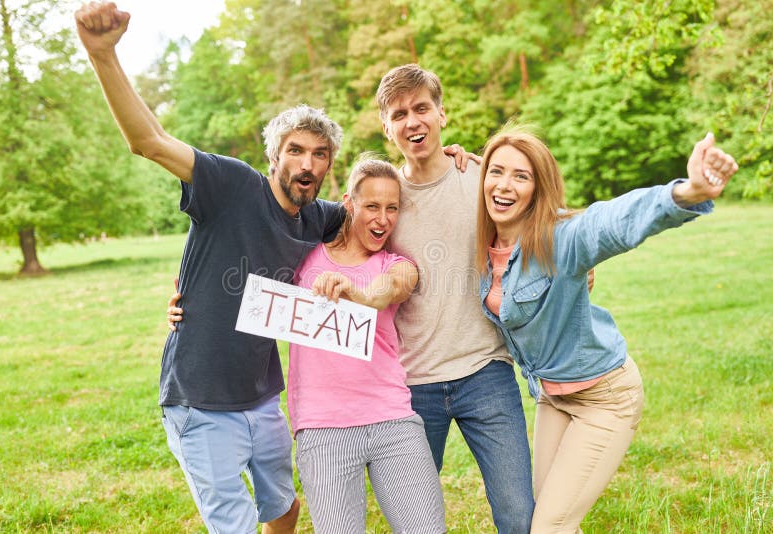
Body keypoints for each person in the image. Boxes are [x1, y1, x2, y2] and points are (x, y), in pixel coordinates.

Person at [75, 3, 346, 532]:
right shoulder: (232, 184)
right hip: (199, 399)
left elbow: (386, 211)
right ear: (275, 157)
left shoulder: (319, 218)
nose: (307, 164)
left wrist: (459, 166)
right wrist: (102, 54)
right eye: (296, 151)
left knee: (284, 507)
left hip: (264, 397)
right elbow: (147, 141)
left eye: (319, 154)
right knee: (236, 525)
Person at [475, 125, 737, 532]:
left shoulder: (561, 238)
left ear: (537, 189)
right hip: (554, 398)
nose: (504, 185)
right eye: (496, 171)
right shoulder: (481, 239)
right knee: (547, 518)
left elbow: (612, 221)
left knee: (550, 526)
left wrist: (687, 192)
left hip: (604, 397)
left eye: (521, 176)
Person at [376, 64, 534, 532]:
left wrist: (578, 266)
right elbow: (331, 253)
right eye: (399, 114)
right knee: (414, 521)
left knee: (519, 513)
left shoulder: (483, 179)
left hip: (486, 371)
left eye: (422, 108)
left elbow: (541, 220)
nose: (413, 122)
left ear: (442, 113)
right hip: (410, 383)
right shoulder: (381, 198)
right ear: (387, 127)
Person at [288, 157, 445, 533]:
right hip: (322, 427)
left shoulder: (397, 265)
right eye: (372, 206)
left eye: (392, 208)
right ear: (349, 203)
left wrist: (355, 295)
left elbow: (387, 291)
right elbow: (255, 300)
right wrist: (186, 306)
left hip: (392, 420)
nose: (383, 218)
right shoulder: (303, 259)